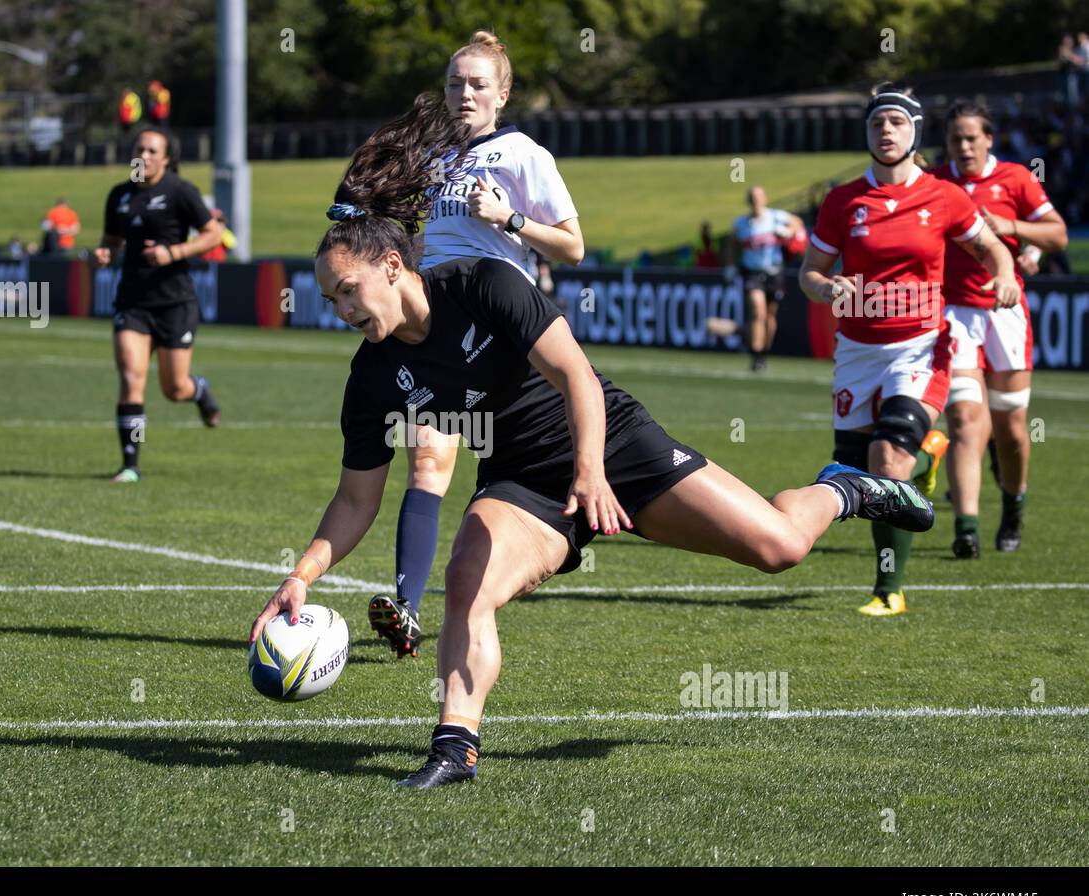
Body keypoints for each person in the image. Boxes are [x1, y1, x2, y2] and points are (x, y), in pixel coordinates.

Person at [249, 93, 937, 789]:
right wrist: (301, 577)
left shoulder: (485, 285)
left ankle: (843, 489)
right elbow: (355, 497)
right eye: (331, 299)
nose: (341, 311)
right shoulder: (371, 377)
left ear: (393, 267)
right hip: (523, 480)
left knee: (780, 548)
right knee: (467, 584)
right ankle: (454, 748)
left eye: (347, 291)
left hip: (611, 445)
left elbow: (575, 375)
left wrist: (591, 471)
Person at [366, 31, 584, 659]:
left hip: (500, 321)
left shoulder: (523, 154)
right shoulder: (436, 158)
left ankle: (548, 533)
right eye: (455, 83)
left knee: (513, 458)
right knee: (428, 462)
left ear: (503, 93)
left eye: (478, 84)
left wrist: (509, 219)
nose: (464, 94)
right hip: (439, 316)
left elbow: (572, 246)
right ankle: (406, 609)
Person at [800, 84, 1020, 616]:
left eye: (897, 122)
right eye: (878, 123)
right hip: (857, 350)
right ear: (868, 132)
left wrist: (1005, 275)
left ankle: (888, 591)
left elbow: (989, 245)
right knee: (852, 474)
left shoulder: (943, 195)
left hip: (921, 348)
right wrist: (828, 289)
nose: (887, 131)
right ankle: (929, 455)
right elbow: (808, 272)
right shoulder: (843, 199)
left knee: (886, 460)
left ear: (914, 131)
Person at [929, 100, 1067, 557]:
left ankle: (1013, 506)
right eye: (955, 139)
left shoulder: (1016, 178)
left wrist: (1011, 226)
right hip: (954, 315)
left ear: (989, 138)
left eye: (972, 138)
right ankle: (966, 528)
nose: (964, 146)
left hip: (1004, 314)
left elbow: (1058, 234)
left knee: (1009, 430)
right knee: (966, 419)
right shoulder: (937, 183)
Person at [94, 127, 224, 483]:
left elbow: (213, 234)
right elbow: (111, 240)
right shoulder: (119, 194)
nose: (145, 156)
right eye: (140, 149)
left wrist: (174, 252)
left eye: (153, 151)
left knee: (173, 388)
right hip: (132, 302)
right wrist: (103, 254)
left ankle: (198, 391)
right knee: (131, 378)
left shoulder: (181, 191)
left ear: (166, 158)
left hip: (175, 303)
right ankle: (130, 464)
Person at [727, 186, 805, 372]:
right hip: (752, 272)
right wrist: (730, 265)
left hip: (774, 271)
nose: (756, 201)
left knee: (770, 316)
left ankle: (763, 352)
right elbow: (731, 243)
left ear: (765, 199)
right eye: (753, 197)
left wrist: (788, 231)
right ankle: (755, 354)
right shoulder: (742, 223)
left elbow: (797, 223)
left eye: (759, 197)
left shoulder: (775, 217)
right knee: (758, 312)